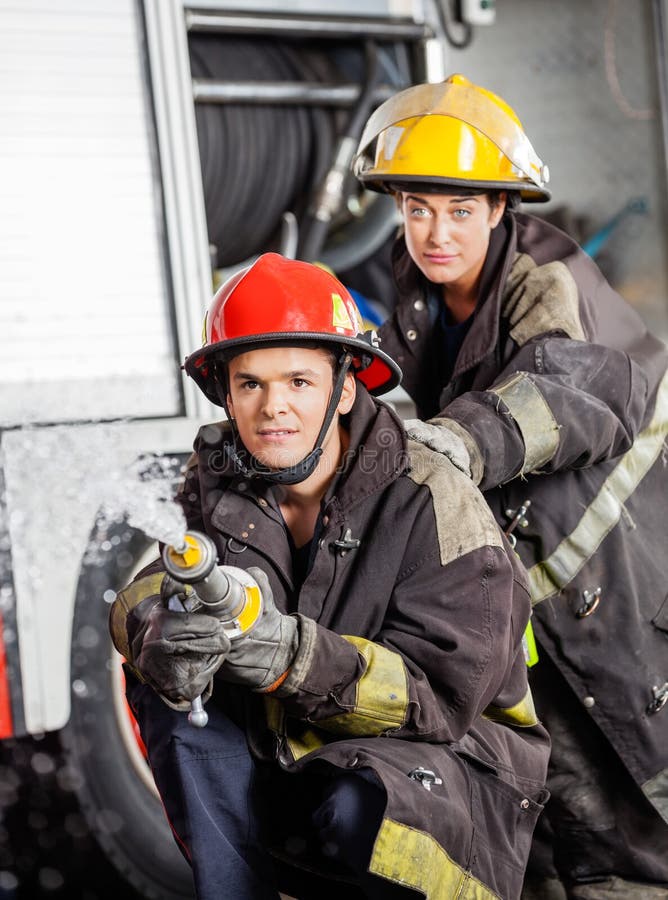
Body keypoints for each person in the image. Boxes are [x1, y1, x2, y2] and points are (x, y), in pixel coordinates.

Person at [109, 252, 550, 900]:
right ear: (226, 393)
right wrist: (154, 627)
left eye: (298, 381)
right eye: (250, 384)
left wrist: (291, 659)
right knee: (166, 690)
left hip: (451, 770)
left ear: (344, 389)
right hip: (296, 751)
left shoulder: (430, 494)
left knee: (358, 802)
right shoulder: (212, 480)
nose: (272, 408)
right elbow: (158, 583)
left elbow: (441, 698)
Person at [352, 73, 668, 898]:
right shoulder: (418, 285)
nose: (436, 232)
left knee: (634, 824)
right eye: (418, 208)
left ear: (500, 208)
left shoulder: (548, 280)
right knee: (555, 815)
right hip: (540, 594)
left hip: (619, 582)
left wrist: (461, 440)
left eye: (460, 210)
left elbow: (568, 388)